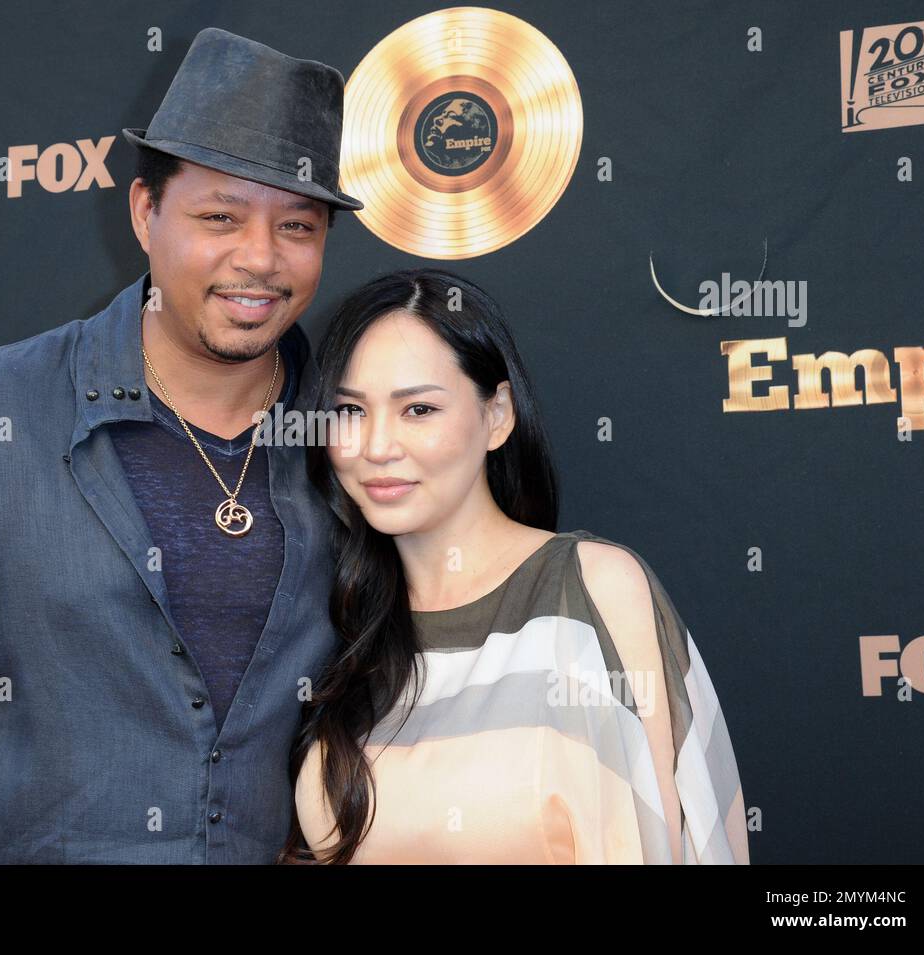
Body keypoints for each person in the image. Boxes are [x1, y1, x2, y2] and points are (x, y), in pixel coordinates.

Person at [0, 28, 363, 863]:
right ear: (146, 212)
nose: (259, 259)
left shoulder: (359, 444)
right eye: (219, 216)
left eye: (297, 226)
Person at [274, 268, 750, 864]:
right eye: (349, 412)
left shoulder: (592, 590)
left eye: (418, 409)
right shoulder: (329, 622)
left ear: (496, 416)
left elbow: (665, 847)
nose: (376, 447)